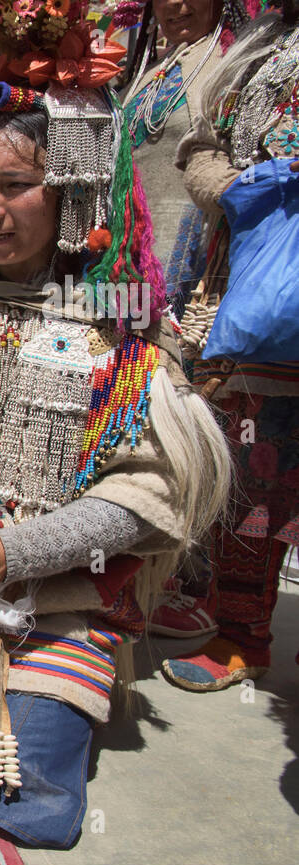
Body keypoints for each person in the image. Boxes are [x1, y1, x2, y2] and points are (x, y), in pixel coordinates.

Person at [0, 19, 231, 845]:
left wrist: (10, 554)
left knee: (22, 794)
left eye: (17, 185)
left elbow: (153, 495)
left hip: (46, 606)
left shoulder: (120, 330)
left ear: (71, 190)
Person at [164, 3, 299, 692]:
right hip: (255, 290)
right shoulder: (262, 47)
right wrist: (235, 187)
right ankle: (239, 632)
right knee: (249, 469)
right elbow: (202, 142)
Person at [121, 0, 254, 640]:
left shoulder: (229, 65)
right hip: (133, 264)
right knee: (137, 410)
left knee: (191, 416)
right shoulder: (146, 69)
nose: (174, 6)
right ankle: (140, 571)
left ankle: (184, 580)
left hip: (192, 268)